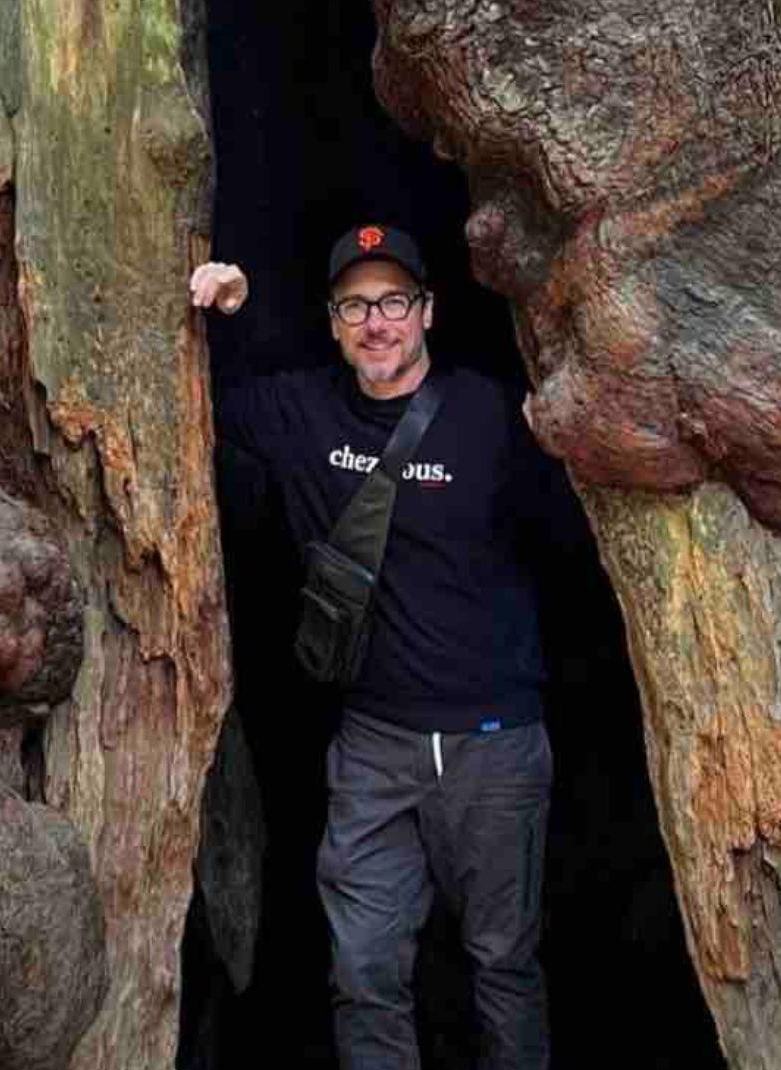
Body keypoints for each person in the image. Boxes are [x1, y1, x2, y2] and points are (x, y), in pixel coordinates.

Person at [191, 224, 553, 1070]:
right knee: (364, 971)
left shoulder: (491, 415)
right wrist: (230, 309)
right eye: (355, 306)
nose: (376, 323)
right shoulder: (303, 415)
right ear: (331, 323)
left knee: (503, 964)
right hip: (373, 752)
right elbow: (199, 392)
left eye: (393, 302)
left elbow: (571, 532)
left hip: (495, 749)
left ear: (427, 313)